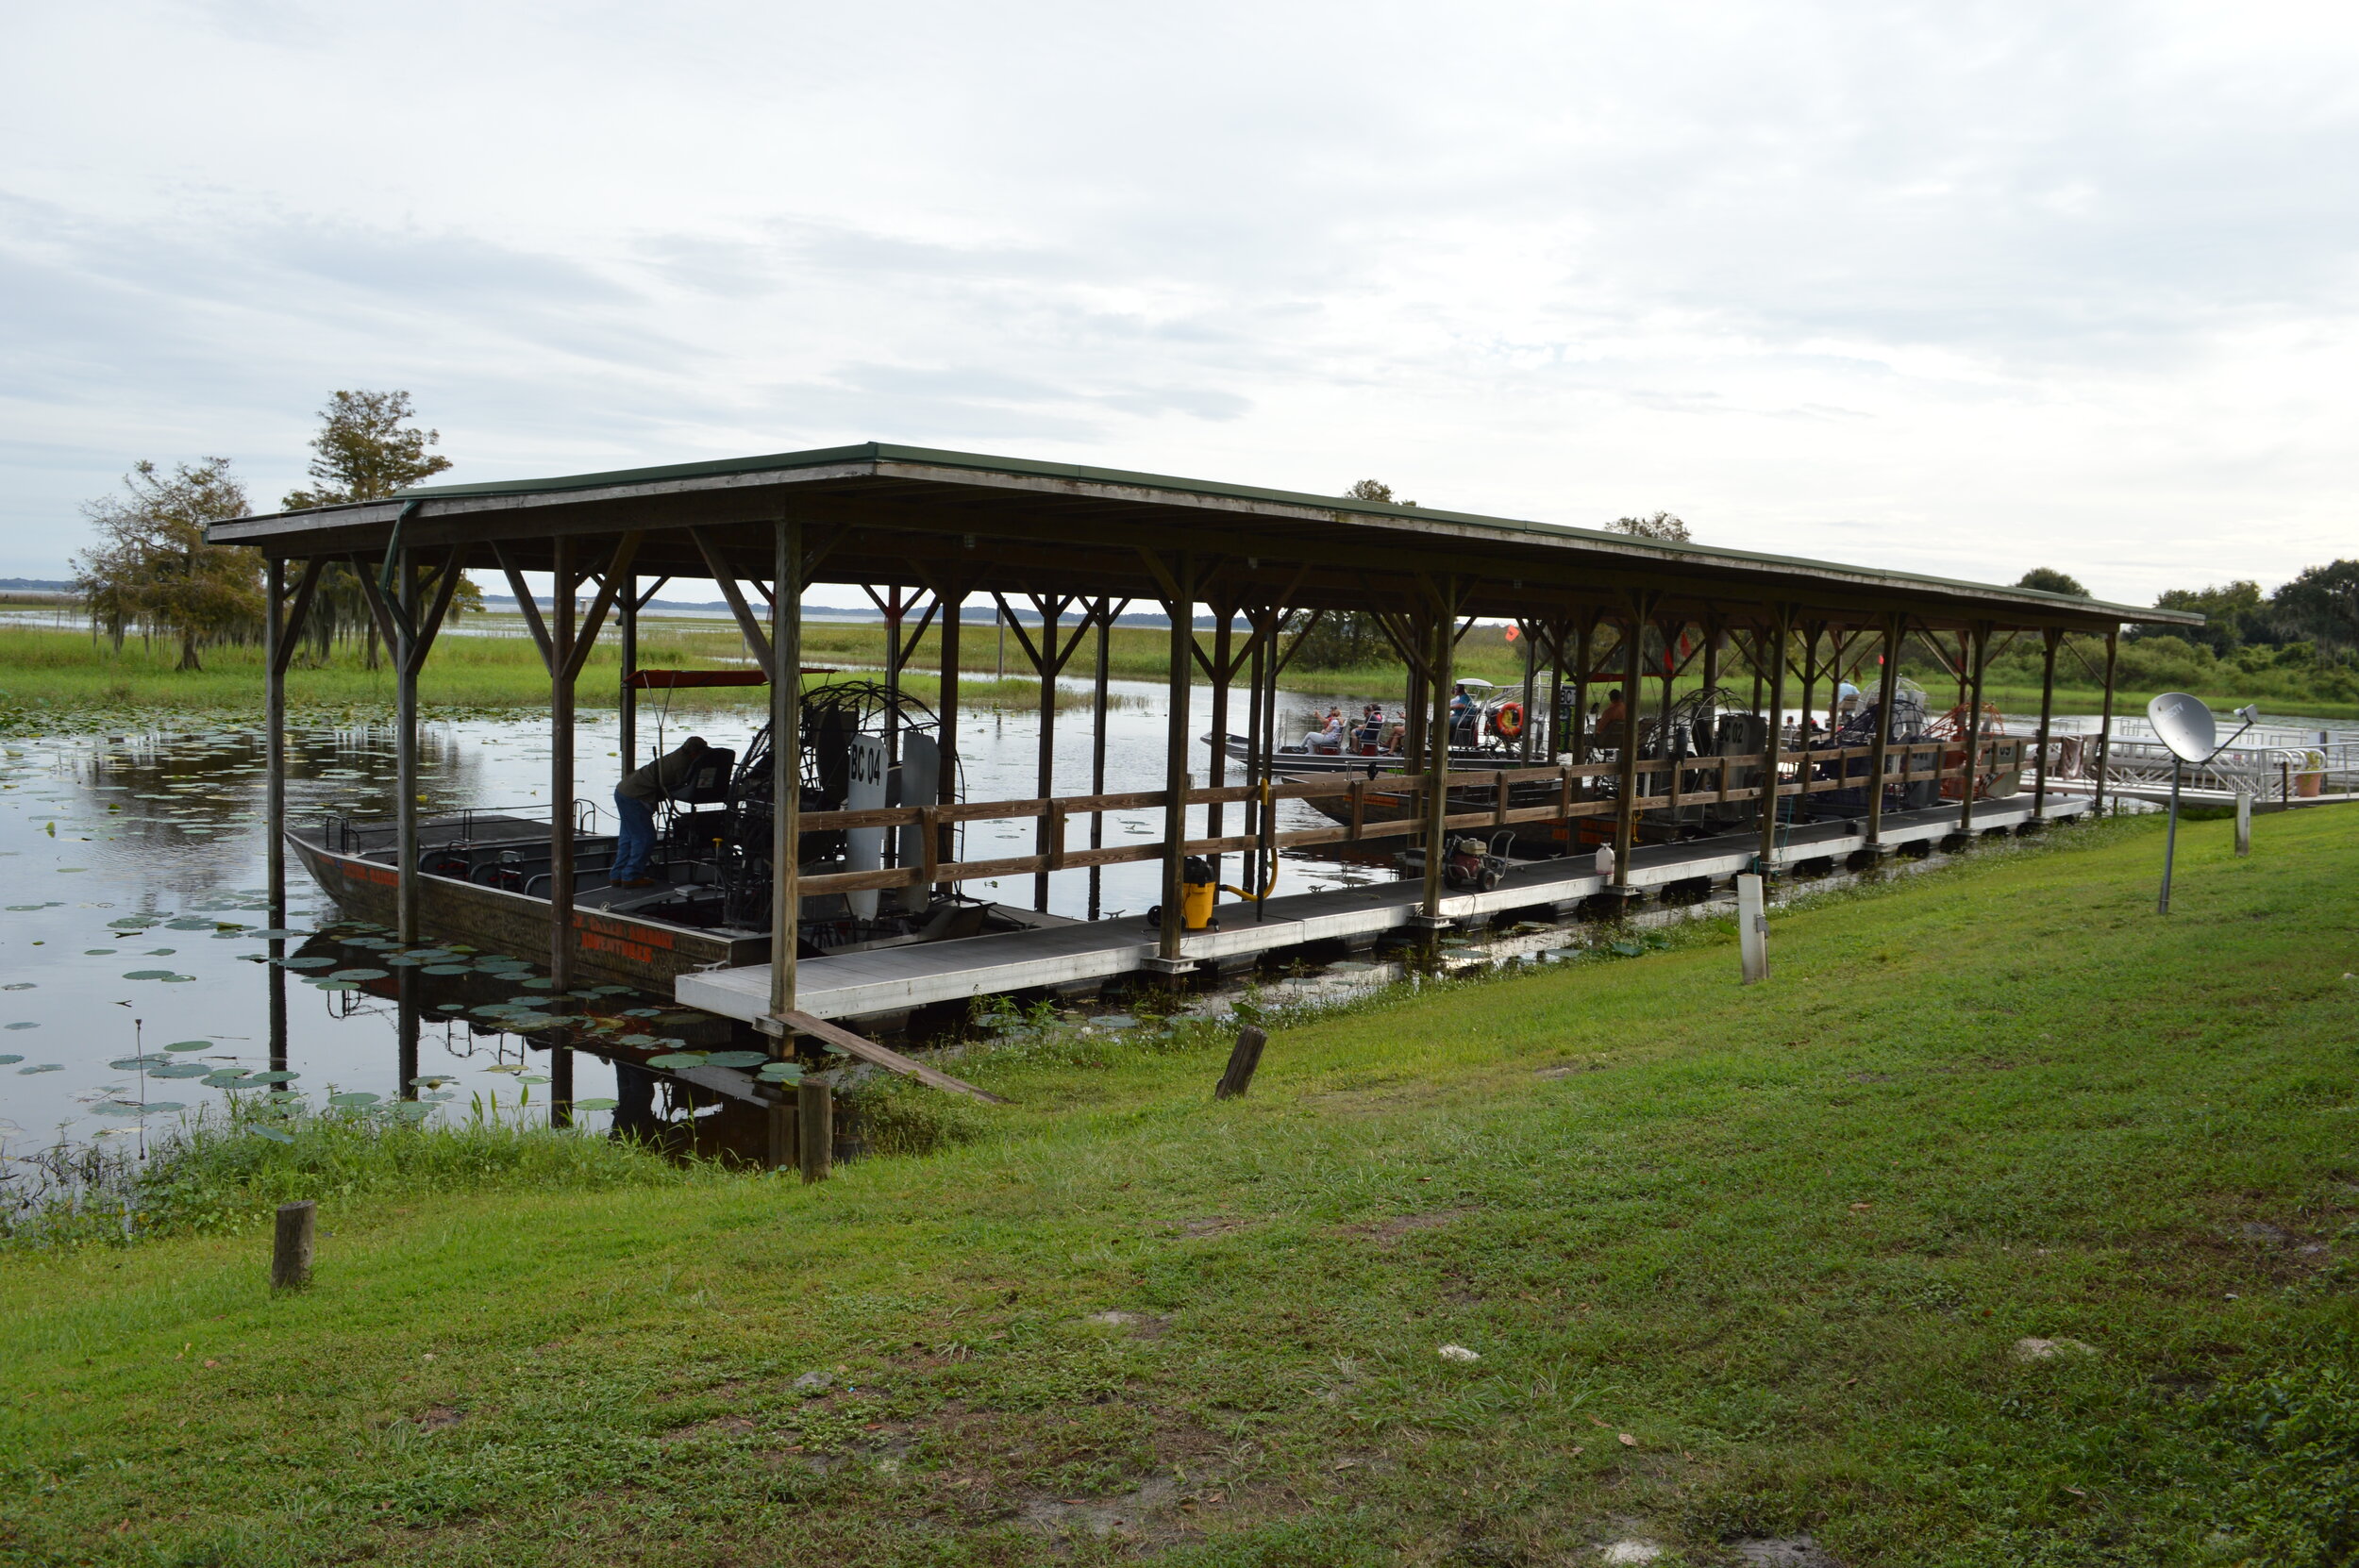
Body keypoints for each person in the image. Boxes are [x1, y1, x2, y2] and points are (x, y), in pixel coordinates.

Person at [611, 735, 708, 888]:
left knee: (628, 837)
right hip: (636, 796)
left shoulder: (678, 755)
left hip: (623, 790)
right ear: (695, 753)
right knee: (645, 838)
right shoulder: (682, 764)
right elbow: (682, 788)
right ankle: (631, 876)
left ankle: (617, 875)